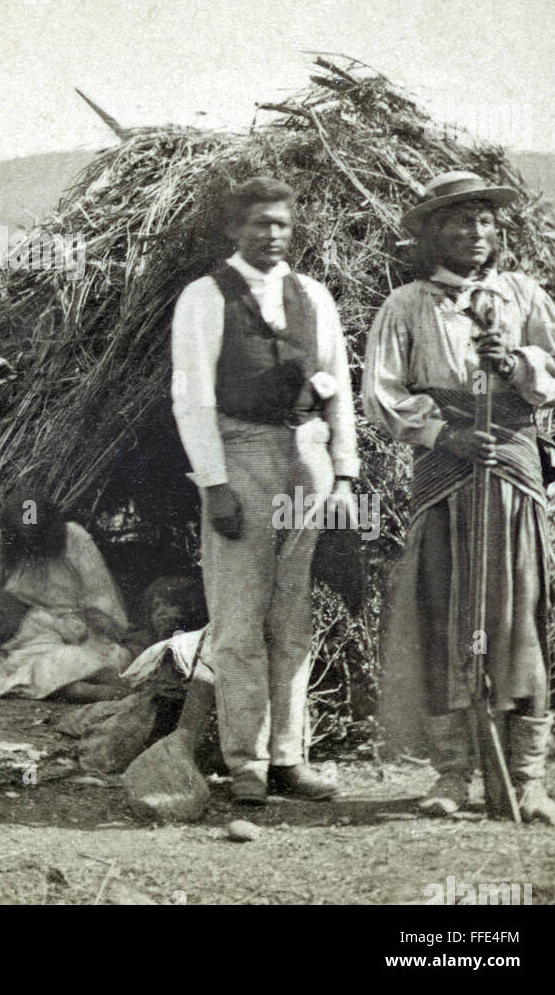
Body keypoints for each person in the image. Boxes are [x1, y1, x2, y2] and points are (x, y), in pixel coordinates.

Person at [362, 171, 555, 825]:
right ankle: (452, 773)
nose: (472, 233)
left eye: (482, 220)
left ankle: (527, 779)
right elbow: (382, 392)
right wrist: (443, 433)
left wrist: (513, 365)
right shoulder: (407, 306)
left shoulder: (521, 296)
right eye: (456, 221)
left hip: (511, 466)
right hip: (447, 473)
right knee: (447, 610)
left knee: (520, 612)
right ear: (430, 232)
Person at [171, 176, 359, 805]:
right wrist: (214, 482)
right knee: (238, 619)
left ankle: (288, 758)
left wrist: (346, 470)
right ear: (234, 229)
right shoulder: (206, 296)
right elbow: (192, 396)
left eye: (281, 223)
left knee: (291, 616)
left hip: (305, 460)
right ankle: (245, 763)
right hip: (240, 456)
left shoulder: (312, 296)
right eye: (258, 224)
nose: (271, 234)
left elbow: (339, 387)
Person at [0, 488, 133, 701]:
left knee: (71, 659)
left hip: (74, 634)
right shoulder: (1, 542)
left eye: (36, 538)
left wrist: (82, 631)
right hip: (19, 635)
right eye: (23, 540)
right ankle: (73, 689)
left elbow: (103, 604)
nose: (30, 546)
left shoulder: (74, 537)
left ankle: (71, 686)